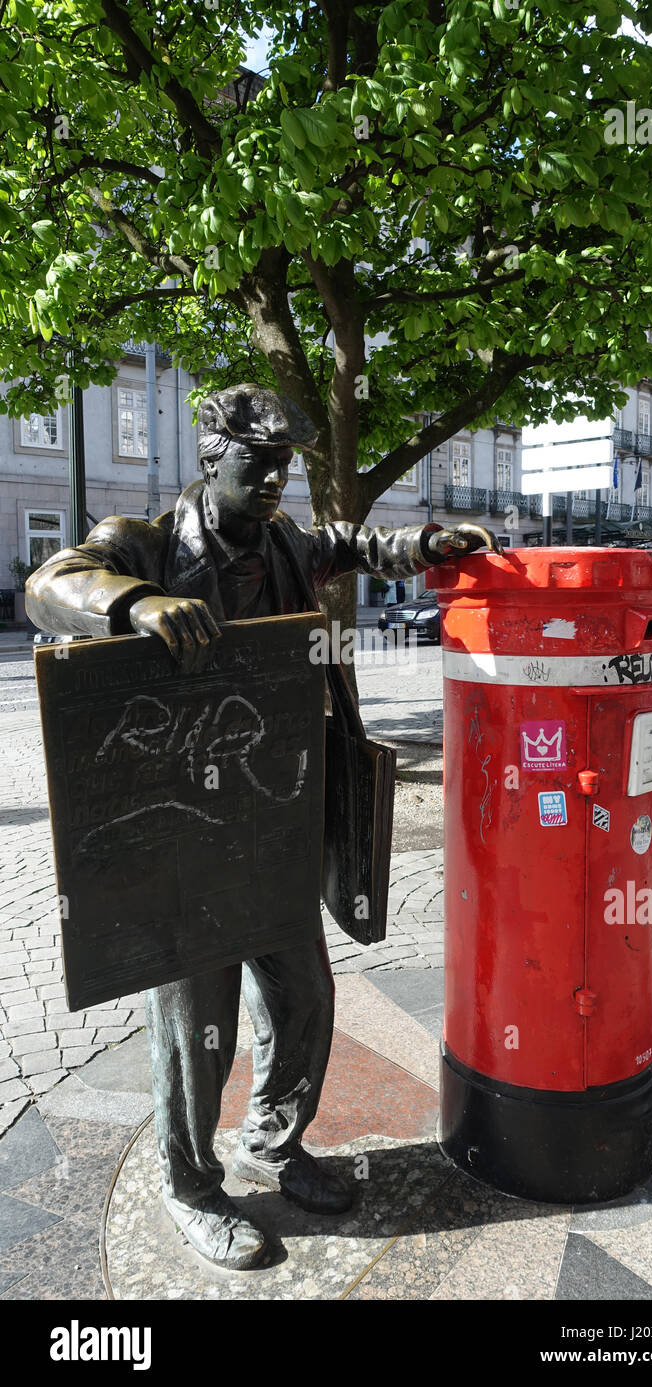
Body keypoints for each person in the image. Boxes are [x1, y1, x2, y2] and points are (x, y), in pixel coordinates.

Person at [26, 384, 501, 1271]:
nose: (276, 477)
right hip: (179, 830)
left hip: (272, 818)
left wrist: (428, 542)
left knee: (304, 999)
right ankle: (192, 1185)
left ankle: (274, 1146)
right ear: (211, 457)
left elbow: (357, 542)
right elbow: (50, 584)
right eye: (258, 460)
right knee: (194, 1026)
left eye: (285, 462)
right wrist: (134, 603)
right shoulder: (147, 544)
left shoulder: (286, 542)